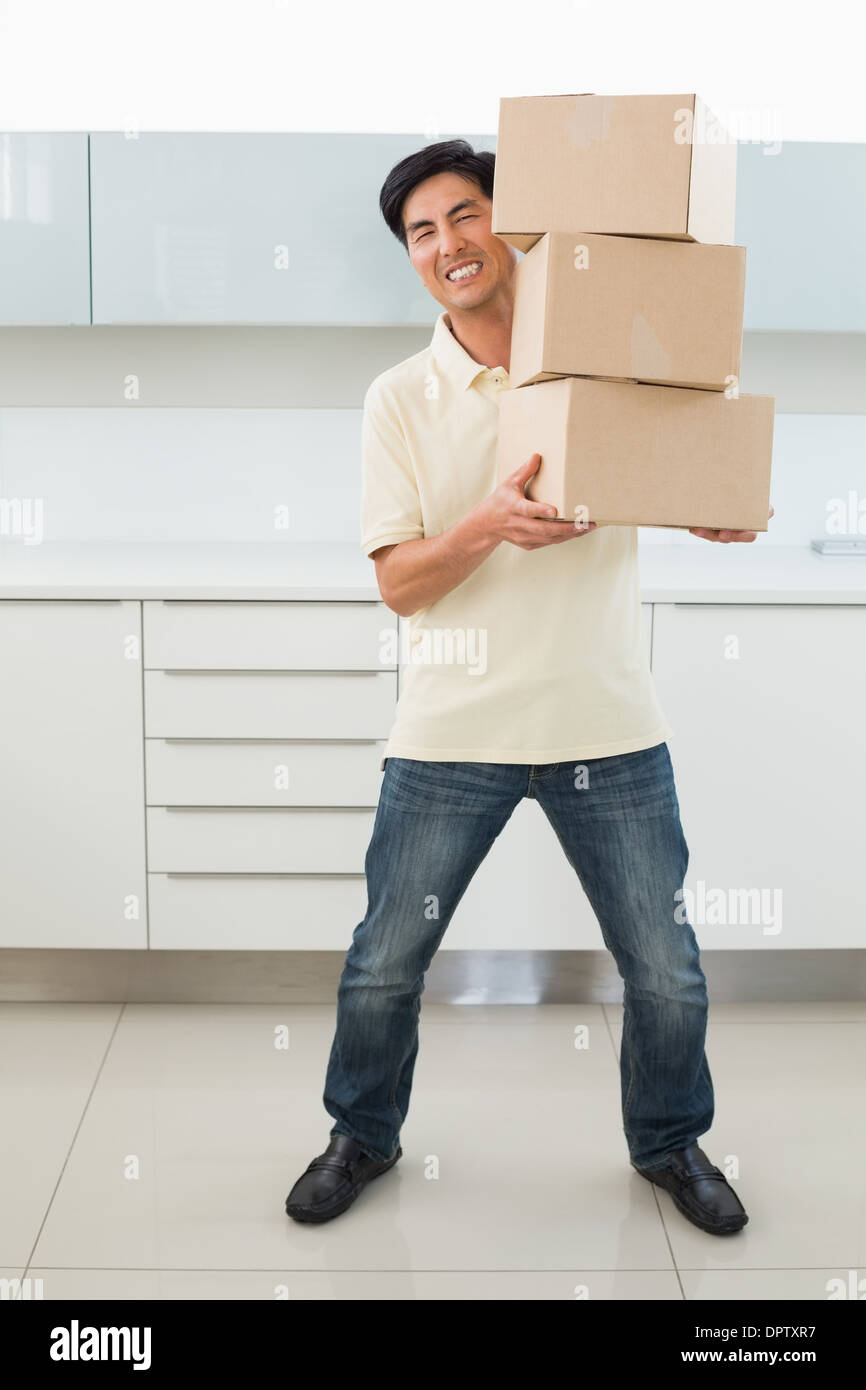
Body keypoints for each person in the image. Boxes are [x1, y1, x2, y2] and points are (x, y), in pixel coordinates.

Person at [286, 139, 766, 1236]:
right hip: (451, 732)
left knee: (667, 973)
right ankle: (360, 1133)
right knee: (382, 965)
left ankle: (667, 1144)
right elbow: (399, 583)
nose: (447, 243)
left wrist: (708, 501)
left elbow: (674, 473)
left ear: (512, 227)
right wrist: (485, 528)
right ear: (410, 257)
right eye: (421, 231)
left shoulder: (604, 370)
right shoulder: (399, 398)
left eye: (464, 216)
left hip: (603, 721)